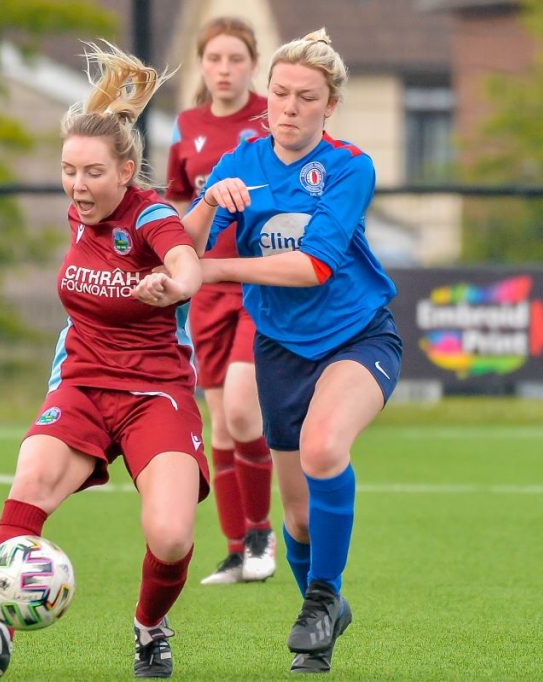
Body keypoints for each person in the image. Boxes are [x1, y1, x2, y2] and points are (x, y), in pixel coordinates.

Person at [0, 41, 207, 680]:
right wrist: (98, 123)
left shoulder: (150, 216)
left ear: (126, 173)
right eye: (69, 170)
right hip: (85, 381)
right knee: (31, 475)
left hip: (155, 392)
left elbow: (186, 262)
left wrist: (173, 286)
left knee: (171, 536)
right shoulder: (80, 211)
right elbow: (91, 145)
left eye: (92, 172)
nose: (77, 185)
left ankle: (149, 629)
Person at [159, 28, 404, 674]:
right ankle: (322, 615)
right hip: (281, 351)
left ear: (330, 107)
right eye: (282, 94)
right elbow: (179, 250)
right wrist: (209, 200)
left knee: (326, 447)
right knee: (297, 520)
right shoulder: (242, 161)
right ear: (267, 97)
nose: (290, 108)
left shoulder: (350, 166)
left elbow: (314, 267)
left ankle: (322, 597)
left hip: (358, 337)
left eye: (307, 98)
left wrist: (216, 271)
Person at [164, 16, 275, 586]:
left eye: (235, 59)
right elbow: (181, 215)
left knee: (240, 408)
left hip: (256, 284)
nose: (225, 70)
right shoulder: (187, 125)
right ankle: (236, 551)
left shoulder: (269, 121)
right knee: (220, 428)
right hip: (206, 290)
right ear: (202, 65)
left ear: (253, 63)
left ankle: (261, 535)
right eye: (214, 59)